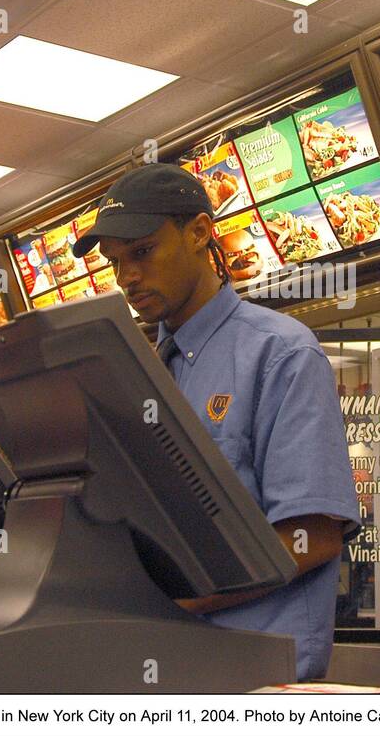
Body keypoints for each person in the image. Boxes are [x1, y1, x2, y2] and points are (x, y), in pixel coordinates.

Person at [72, 164, 359, 681]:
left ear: (201, 232)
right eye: (115, 262)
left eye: (142, 251)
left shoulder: (281, 353)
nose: (126, 277)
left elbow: (312, 537)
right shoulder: (140, 373)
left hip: (256, 685)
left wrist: (169, 602)